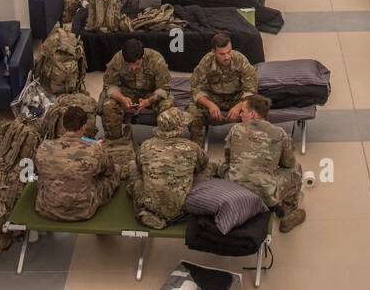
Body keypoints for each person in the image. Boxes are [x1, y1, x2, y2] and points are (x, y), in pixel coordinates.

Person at [216, 94, 307, 233]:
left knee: (221, 165)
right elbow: (288, 164)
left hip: (232, 189)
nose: (240, 115)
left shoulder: (236, 130)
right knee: (296, 169)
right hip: (264, 195)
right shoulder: (279, 133)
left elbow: (227, 158)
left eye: (243, 111)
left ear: (252, 113)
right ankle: (287, 214)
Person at [35, 105, 119, 221]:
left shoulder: (44, 147)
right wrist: (97, 151)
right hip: (83, 210)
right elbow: (109, 169)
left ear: (64, 125)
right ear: (84, 127)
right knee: (115, 172)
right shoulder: (94, 150)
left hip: (47, 207)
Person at [130, 107, 209, 230]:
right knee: (207, 170)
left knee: (132, 168)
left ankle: (145, 211)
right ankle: (192, 208)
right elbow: (202, 165)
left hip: (150, 204)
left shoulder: (146, 145)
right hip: (183, 206)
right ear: (180, 128)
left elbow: (140, 168)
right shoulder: (192, 148)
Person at [187, 32, 258, 144]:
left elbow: (251, 89)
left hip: (236, 97)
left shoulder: (240, 60)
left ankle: (251, 145)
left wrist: (239, 106)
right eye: (222, 54)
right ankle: (196, 148)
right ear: (214, 52)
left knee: (255, 106)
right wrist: (210, 105)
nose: (227, 57)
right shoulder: (206, 61)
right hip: (213, 97)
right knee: (192, 110)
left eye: (229, 52)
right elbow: (196, 88)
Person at [99, 38, 172, 123]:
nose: (133, 68)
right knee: (108, 106)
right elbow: (109, 84)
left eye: (137, 64)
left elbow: (164, 87)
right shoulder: (117, 59)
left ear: (142, 57)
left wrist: (149, 101)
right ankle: (116, 136)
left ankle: (162, 136)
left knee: (167, 106)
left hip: (151, 93)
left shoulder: (156, 59)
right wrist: (121, 98)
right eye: (128, 64)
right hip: (127, 92)